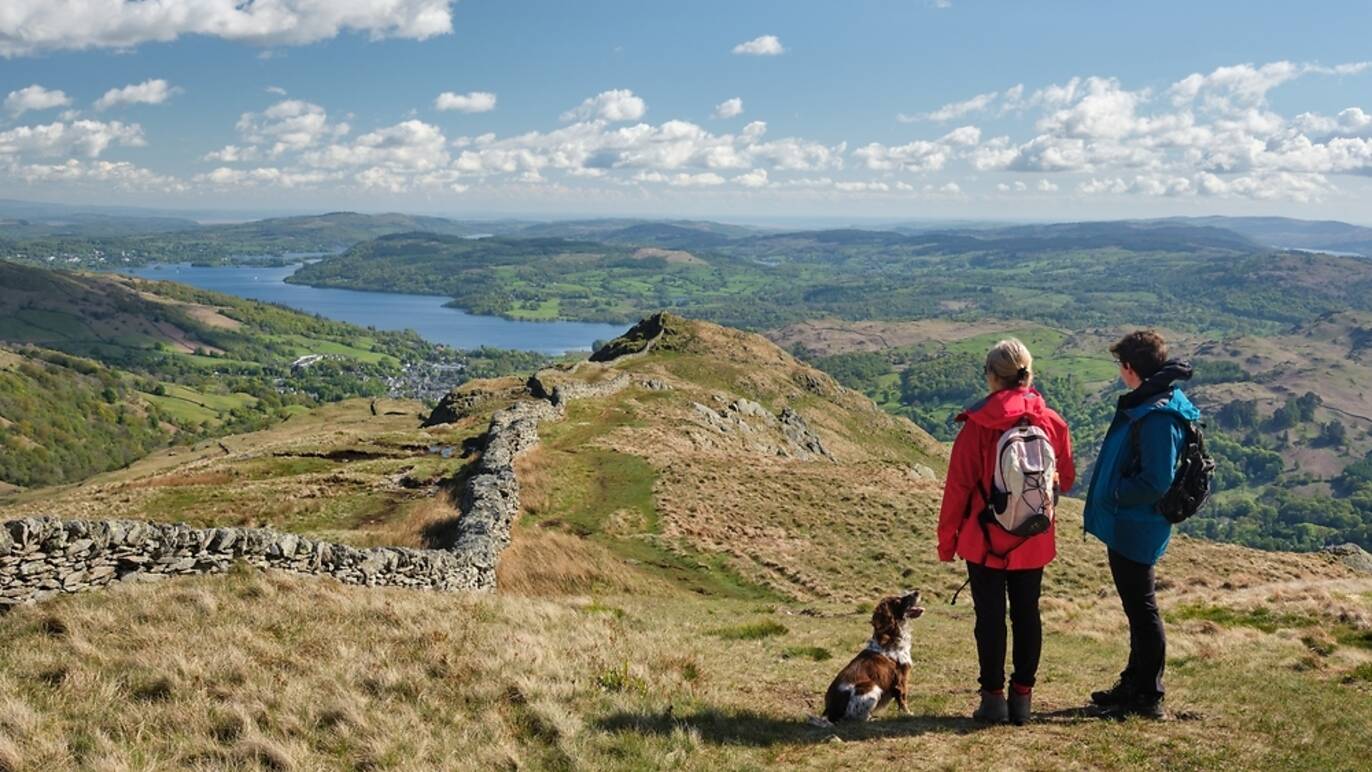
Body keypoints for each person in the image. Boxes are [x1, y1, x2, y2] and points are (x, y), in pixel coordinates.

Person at [937, 339, 1075, 725]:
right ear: (1028, 374)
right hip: (1033, 538)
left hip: (984, 540)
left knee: (990, 618)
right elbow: (1066, 479)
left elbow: (957, 490)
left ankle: (993, 700)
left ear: (992, 377)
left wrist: (947, 543)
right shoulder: (1052, 422)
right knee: (1027, 614)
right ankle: (1023, 698)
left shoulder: (978, 426)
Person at [1083, 330, 1198, 720]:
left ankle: (1148, 695)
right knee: (1137, 609)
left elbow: (1156, 481)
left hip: (1137, 526)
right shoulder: (1151, 403)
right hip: (1130, 524)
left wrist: (1114, 493)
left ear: (1130, 368)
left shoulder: (1157, 416)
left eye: (1120, 364)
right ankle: (1133, 684)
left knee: (1143, 609)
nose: (1119, 370)